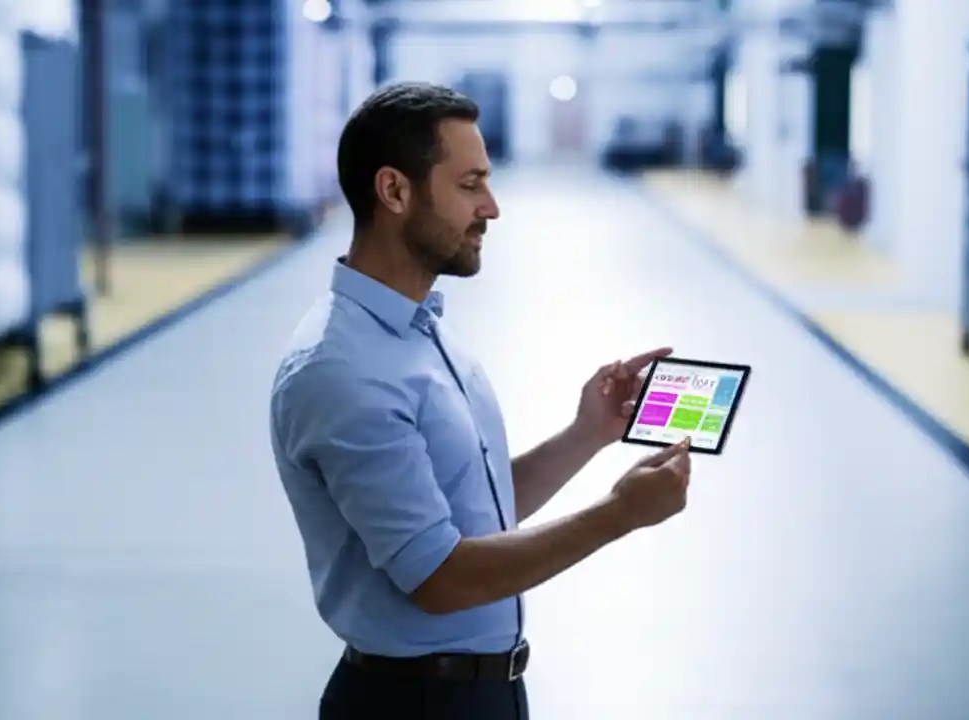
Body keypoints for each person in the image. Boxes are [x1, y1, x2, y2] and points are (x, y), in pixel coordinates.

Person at [269, 81, 693, 720]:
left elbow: (473, 515)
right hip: (411, 705)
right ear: (394, 191)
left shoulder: (419, 327)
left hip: (482, 694)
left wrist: (587, 434)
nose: (491, 207)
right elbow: (441, 578)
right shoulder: (344, 370)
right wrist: (619, 514)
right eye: (470, 185)